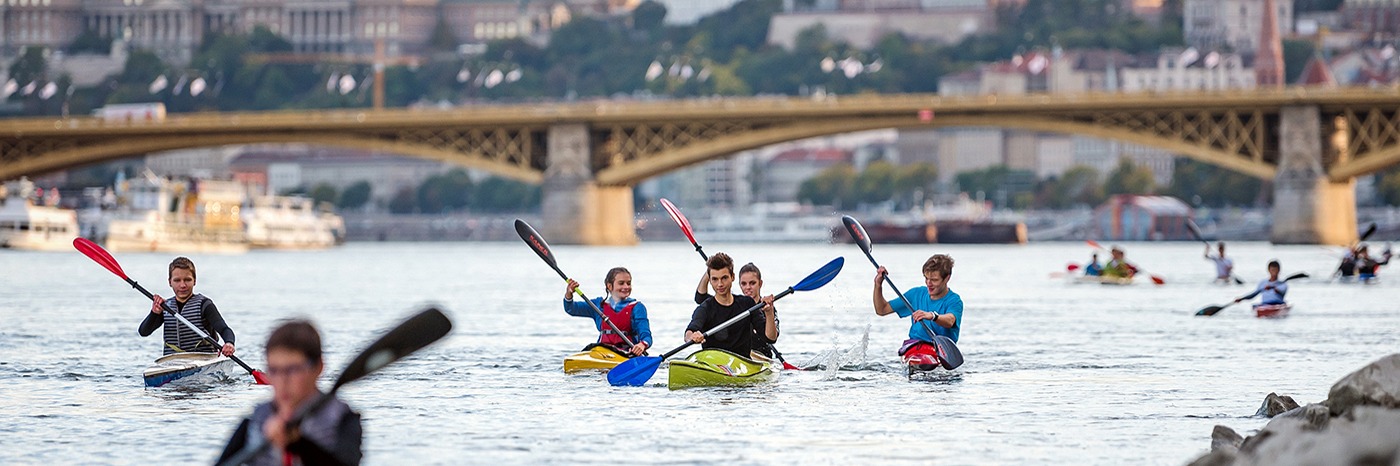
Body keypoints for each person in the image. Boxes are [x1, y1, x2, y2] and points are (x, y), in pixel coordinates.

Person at [218, 320, 363, 466]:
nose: (282, 381)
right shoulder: (254, 421)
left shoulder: (343, 418)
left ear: (318, 367)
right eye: (274, 370)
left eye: (293, 370)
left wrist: (297, 443)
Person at [138, 257, 236, 356]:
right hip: (172, 360)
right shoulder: (165, 307)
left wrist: (229, 343)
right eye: (177, 280)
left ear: (194, 281)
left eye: (187, 280)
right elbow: (143, 332)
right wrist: (154, 313)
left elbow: (224, 329)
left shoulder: (204, 305)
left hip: (203, 358)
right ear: (170, 282)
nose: (182, 285)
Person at [686, 253, 777, 357]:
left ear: (732, 277)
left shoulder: (747, 304)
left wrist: (769, 312)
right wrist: (692, 337)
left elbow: (771, 338)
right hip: (713, 360)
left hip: (742, 362)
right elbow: (689, 332)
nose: (720, 284)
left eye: (724, 278)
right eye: (715, 279)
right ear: (709, 280)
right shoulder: (705, 308)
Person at [872, 254, 963, 351]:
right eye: (926, 278)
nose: (928, 283)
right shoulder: (916, 294)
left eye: (934, 280)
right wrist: (878, 284)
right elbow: (881, 310)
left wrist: (932, 316)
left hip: (941, 350)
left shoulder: (954, 300)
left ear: (947, 278)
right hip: (914, 347)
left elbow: (950, 321)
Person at [564, 267, 652, 356]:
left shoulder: (637, 307)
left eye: (628, 283)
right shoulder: (598, 305)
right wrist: (569, 293)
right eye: (621, 283)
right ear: (609, 286)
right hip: (602, 352)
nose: (626, 287)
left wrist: (642, 344)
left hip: (627, 354)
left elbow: (646, 335)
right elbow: (571, 309)